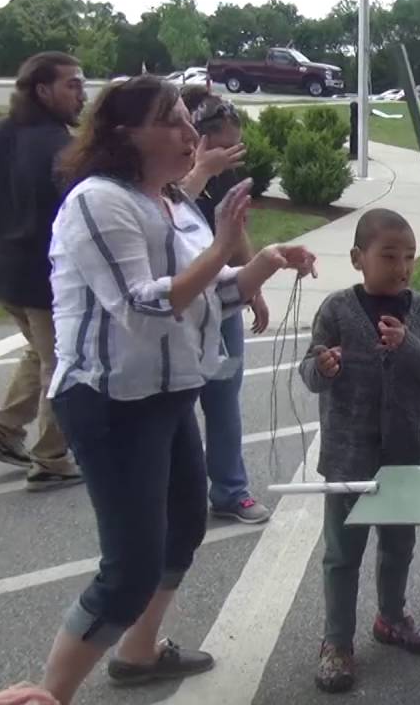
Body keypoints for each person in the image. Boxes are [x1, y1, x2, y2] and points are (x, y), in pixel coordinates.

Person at [39, 75, 317, 704]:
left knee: (184, 526)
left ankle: (137, 653)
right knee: (129, 568)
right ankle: (47, 694)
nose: (191, 134)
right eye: (173, 121)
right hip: (108, 404)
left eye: (189, 122)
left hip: (165, 395)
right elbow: (142, 308)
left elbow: (208, 297)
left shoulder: (163, 200)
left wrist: (264, 260)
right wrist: (221, 245)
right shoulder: (98, 201)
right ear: (123, 132)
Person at [299, 209, 420, 693]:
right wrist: (324, 366)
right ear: (358, 258)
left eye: (409, 257)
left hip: (403, 453)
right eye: (388, 256)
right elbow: (308, 372)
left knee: (399, 545)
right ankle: (336, 642)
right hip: (347, 457)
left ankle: (391, 617)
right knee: (342, 554)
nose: (401, 267)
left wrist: (407, 346)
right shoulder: (337, 311)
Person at [0, 52, 86, 491]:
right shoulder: (66, 148)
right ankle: (52, 458)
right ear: (42, 89)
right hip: (46, 277)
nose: (81, 94)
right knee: (63, 364)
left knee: (40, 351)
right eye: (72, 85)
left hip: (2, 271)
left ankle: (1, 429)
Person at [177, 87, 272, 524]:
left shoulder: (227, 175)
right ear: (195, 138)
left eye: (234, 147)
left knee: (223, 400)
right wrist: (196, 172)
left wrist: (253, 286)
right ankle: (175, 496)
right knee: (175, 408)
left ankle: (231, 490)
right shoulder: (166, 177)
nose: (227, 156)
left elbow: (236, 234)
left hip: (223, 306)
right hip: (175, 311)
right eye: (218, 147)